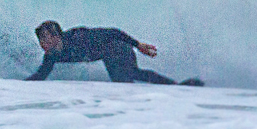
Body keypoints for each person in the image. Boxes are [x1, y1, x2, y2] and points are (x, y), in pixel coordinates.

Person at [26, 20, 201, 85]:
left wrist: (137, 44)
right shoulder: (52, 55)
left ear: (57, 36)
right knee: (124, 83)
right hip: (107, 55)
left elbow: (112, 32)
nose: (42, 44)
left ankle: (177, 86)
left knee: (130, 74)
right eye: (40, 40)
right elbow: (41, 76)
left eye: (46, 39)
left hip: (118, 47)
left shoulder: (78, 37)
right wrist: (17, 86)